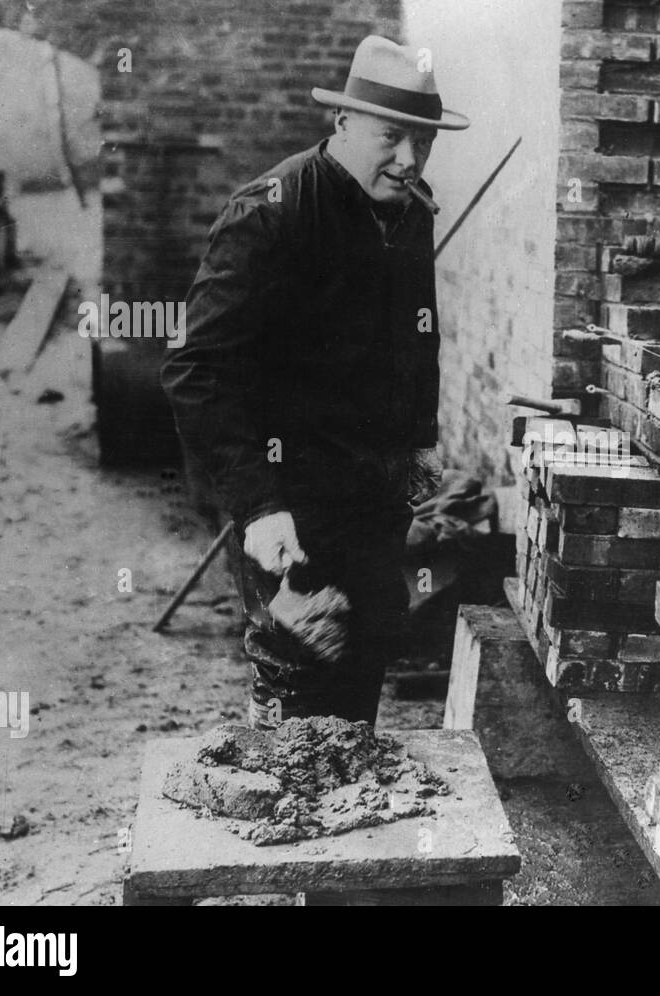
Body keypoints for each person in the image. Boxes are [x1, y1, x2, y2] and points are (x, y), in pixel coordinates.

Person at [160, 36, 469, 728]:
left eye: (423, 142)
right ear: (344, 124)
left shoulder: (409, 214)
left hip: (373, 506)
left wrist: (417, 447)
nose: (409, 160)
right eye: (392, 138)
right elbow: (194, 369)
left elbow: (415, 342)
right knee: (296, 702)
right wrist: (259, 504)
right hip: (290, 511)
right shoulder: (272, 216)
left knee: (360, 690)